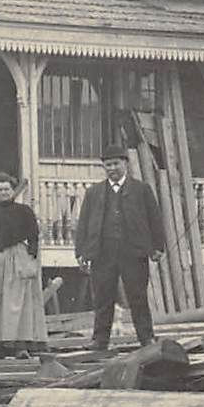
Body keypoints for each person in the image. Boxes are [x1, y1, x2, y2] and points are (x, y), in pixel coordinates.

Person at [74, 144, 166, 351]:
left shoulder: (141, 189)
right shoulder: (94, 193)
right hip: (102, 253)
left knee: (138, 297)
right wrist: (80, 252)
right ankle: (100, 341)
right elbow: (84, 223)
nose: (112, 168)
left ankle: (146, 338)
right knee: (103, 298)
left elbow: (155, 219)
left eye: (116, 163)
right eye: (108, 165)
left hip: (133, 252)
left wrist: (157, 246)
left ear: (126, 163)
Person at [0, 171, 47, 360]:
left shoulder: (24, 211)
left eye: (7, 189)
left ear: (13, 191)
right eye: (0, 189)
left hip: (17, 257)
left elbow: (33, 237)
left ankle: (20, 344)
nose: (4, 192)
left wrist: (32, 258)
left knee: (17, 301)